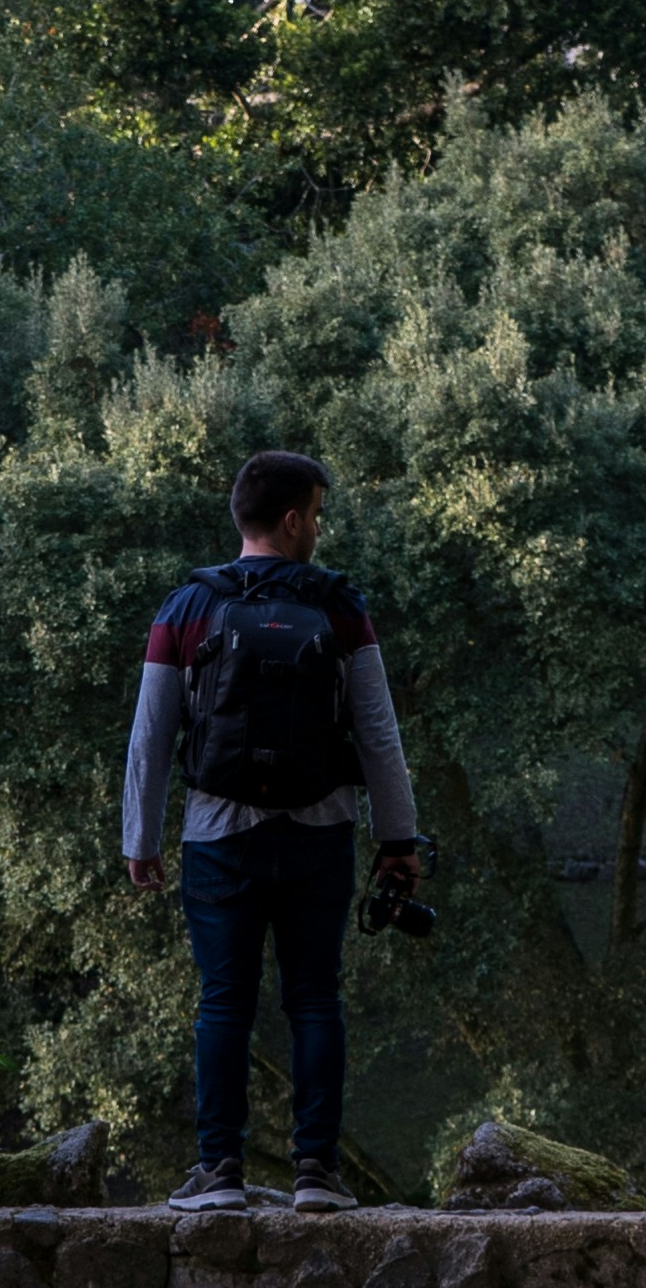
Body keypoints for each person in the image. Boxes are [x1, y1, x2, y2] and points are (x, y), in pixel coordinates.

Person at [121, 447, 421, 1211]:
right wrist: (398, 840)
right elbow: (378, 733)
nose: (318, 526)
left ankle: (218, 1172)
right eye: (317, 513)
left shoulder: (184, 607)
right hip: (321, 833)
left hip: (218, 836)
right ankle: (316, 1173)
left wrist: (141, 840)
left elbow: (152, 735)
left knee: (224, 1001)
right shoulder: (341, 607)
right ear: (292, 521)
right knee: (315, 999)